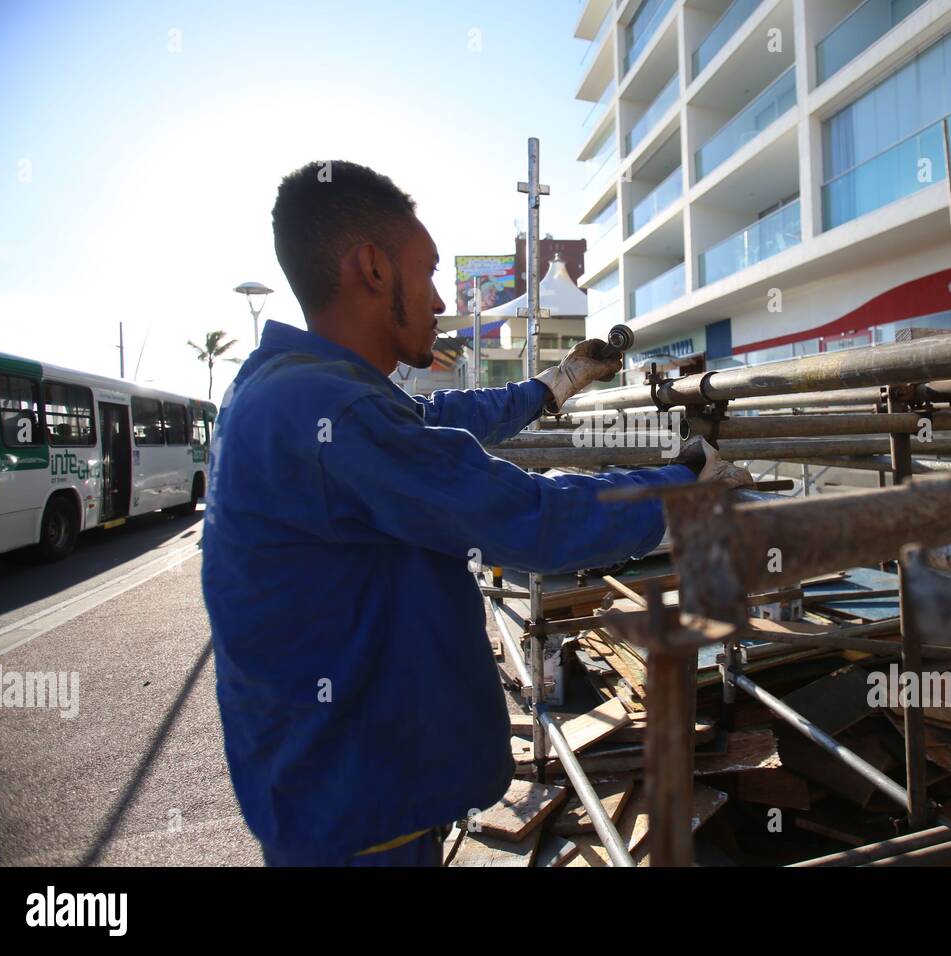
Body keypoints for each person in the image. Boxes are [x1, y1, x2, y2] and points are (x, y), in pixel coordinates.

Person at [201, 160, 751, 867]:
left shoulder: (293, 390)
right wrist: (684, 489)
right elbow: (530, 518)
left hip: (327, 797)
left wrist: (557, 383)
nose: (437, 301)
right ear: (371, 268)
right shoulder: (329, 411)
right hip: (361, 821)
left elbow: (436, 419)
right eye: (427, 272)